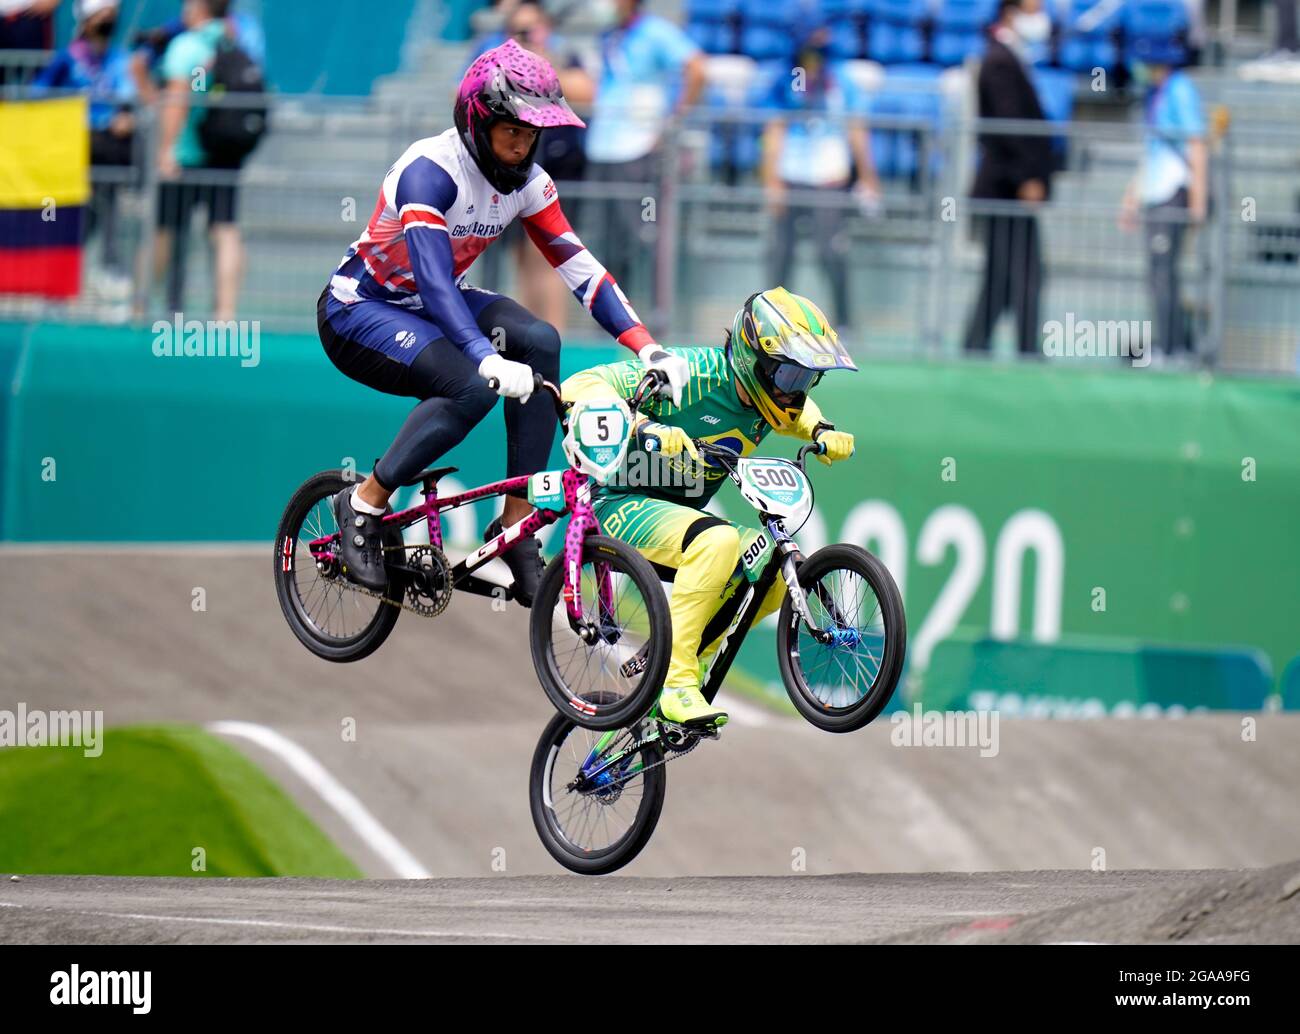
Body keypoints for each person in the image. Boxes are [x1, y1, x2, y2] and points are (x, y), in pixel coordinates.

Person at [319, 39, 690, 602]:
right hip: (360, 310)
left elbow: (578, 265)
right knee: (471, 387)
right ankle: (364, 502)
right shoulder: (430, 174)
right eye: (510, 133)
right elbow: (436, 282)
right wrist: (486, 357)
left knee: (541, 339)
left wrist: (647, 347)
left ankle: (516, 530)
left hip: (429, 307)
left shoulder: (530, 184)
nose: (521, 148)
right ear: (476, 123)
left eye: (530, 135)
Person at [562, 287, 857, 728]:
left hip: (676, 519)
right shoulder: (695, 373)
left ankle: (692, 663)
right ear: (751, 359)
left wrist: (822, 429)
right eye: (788, 377)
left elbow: (798, 412)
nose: (794, 392)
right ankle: (676, 685)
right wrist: (645, 426)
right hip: (617, 504)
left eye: (805, 379)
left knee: (771, 567)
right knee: (717, 541)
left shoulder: (769, 399)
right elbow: (580, 385)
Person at [472, 0, 594, 331]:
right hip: (510, 170)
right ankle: (529, 334)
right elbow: (471, 93)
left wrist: (540, 61)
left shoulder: (563, 56)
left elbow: (585, 92)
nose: (524, 37)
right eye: (518, 32)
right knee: (521, 257)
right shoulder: (493, 59)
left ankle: (553, 335)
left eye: (531, 29)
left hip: (557, 167)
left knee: (550, 254)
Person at [583, 0, 705, 298]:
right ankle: (612, 321)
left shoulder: (655, 32)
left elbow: (697, 68)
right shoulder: (609, 36)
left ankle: (652, 317)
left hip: (638, 149)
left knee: (643, 237)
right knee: (607, 242)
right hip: (603, 149)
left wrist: (672, 121)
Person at [762, 31, 880, 337]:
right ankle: (771, 320)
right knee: (781, 254)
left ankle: (843, 321)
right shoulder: (786, 80)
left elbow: (856, 129)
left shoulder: (841, 81)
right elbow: (775, 130)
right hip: (792, 178)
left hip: (830, 179)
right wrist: (771, 180)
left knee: (831, 252)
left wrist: (868, 177)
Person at [963, 0, 1055, 357]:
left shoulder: (1008, 55)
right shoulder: (999, 59)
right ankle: (1027, 352)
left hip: (1008, 188)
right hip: (1006, 190)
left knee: (1002, 279)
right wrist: (1027, 177)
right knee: (1023, 276)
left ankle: (975, 347)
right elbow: (1008, 128)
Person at [152, 0, 253, 320]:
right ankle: (225, 313)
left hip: (186, 154)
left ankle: (140, 307)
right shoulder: (234, 42)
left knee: (164, 230)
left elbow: (178, 100)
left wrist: (166, 149)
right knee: (225, 230)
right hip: (224, 154)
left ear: (198, 8)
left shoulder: (188, 45)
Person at [34, 0, 136, 286]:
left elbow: (128, 99)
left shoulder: (119, 58)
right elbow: (38, 92)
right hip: (70, 146)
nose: (109, 20)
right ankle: (55, 268)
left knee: (107, 207)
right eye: (103, 15)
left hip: (107, 148)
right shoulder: (68, 58)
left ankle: (107, 267)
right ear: (88, 20)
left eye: (112, 15)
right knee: (60, 211)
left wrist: (126, 116)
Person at [1119, 38, 1206, 360]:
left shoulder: (1180, 89)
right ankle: (1168, 343)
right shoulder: (1155, 94)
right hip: (1156, 193)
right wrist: (1132, 197)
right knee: (1157, 272)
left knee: (1165, 272)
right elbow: (1150, 153)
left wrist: (1197, 202)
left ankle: (1174, 348)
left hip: (1174, 192)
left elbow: (1196, 144)